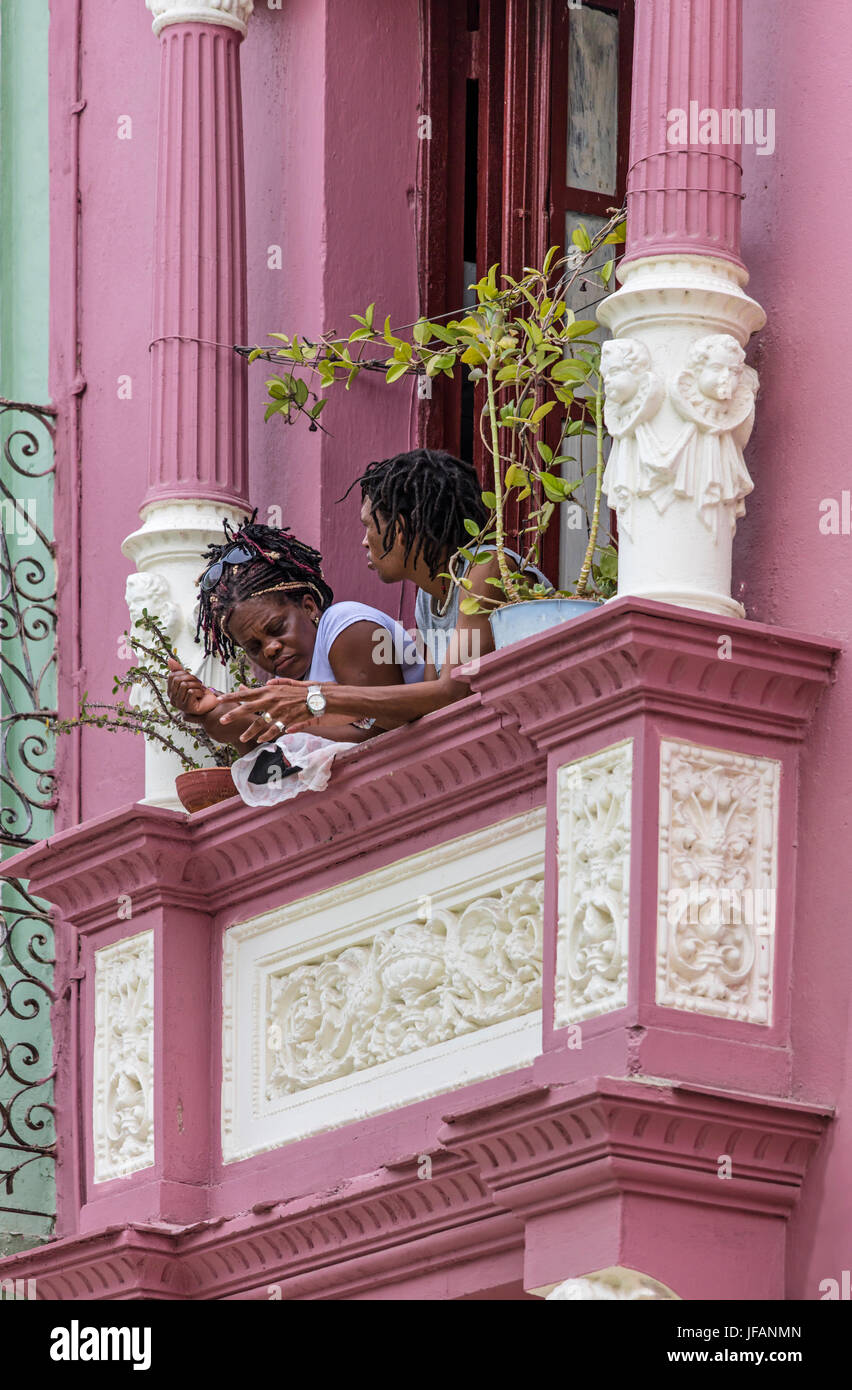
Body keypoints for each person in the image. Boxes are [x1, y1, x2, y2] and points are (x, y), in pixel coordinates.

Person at [216, 449, 549, 737]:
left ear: (399, 529)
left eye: (367, 526)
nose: (364, 541)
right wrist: (308, 705)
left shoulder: (485, 569)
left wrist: (319, 699)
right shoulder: (430, 596)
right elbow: (427, 705)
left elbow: (453, 692)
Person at [165, 516, 423, 751]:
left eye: (276, 628)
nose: (270, 649)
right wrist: (218, 711)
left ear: (309, 606)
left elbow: (387, 739)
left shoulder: (346, 625)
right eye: (254, 647)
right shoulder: (287, 683)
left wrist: (274, 728)